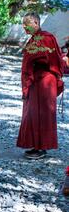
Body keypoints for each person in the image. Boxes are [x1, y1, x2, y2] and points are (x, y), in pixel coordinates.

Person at [17, 12, 66, 159]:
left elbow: (50, 60)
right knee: (33, 113)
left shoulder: (46, 38)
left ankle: (41, 148)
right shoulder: (35, 39)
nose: (24, 26)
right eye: (23, 23)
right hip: (36, 81)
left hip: (44, 82)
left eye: (27, 23)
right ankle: (36, 145)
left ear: (36, 23)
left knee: (42, 114)